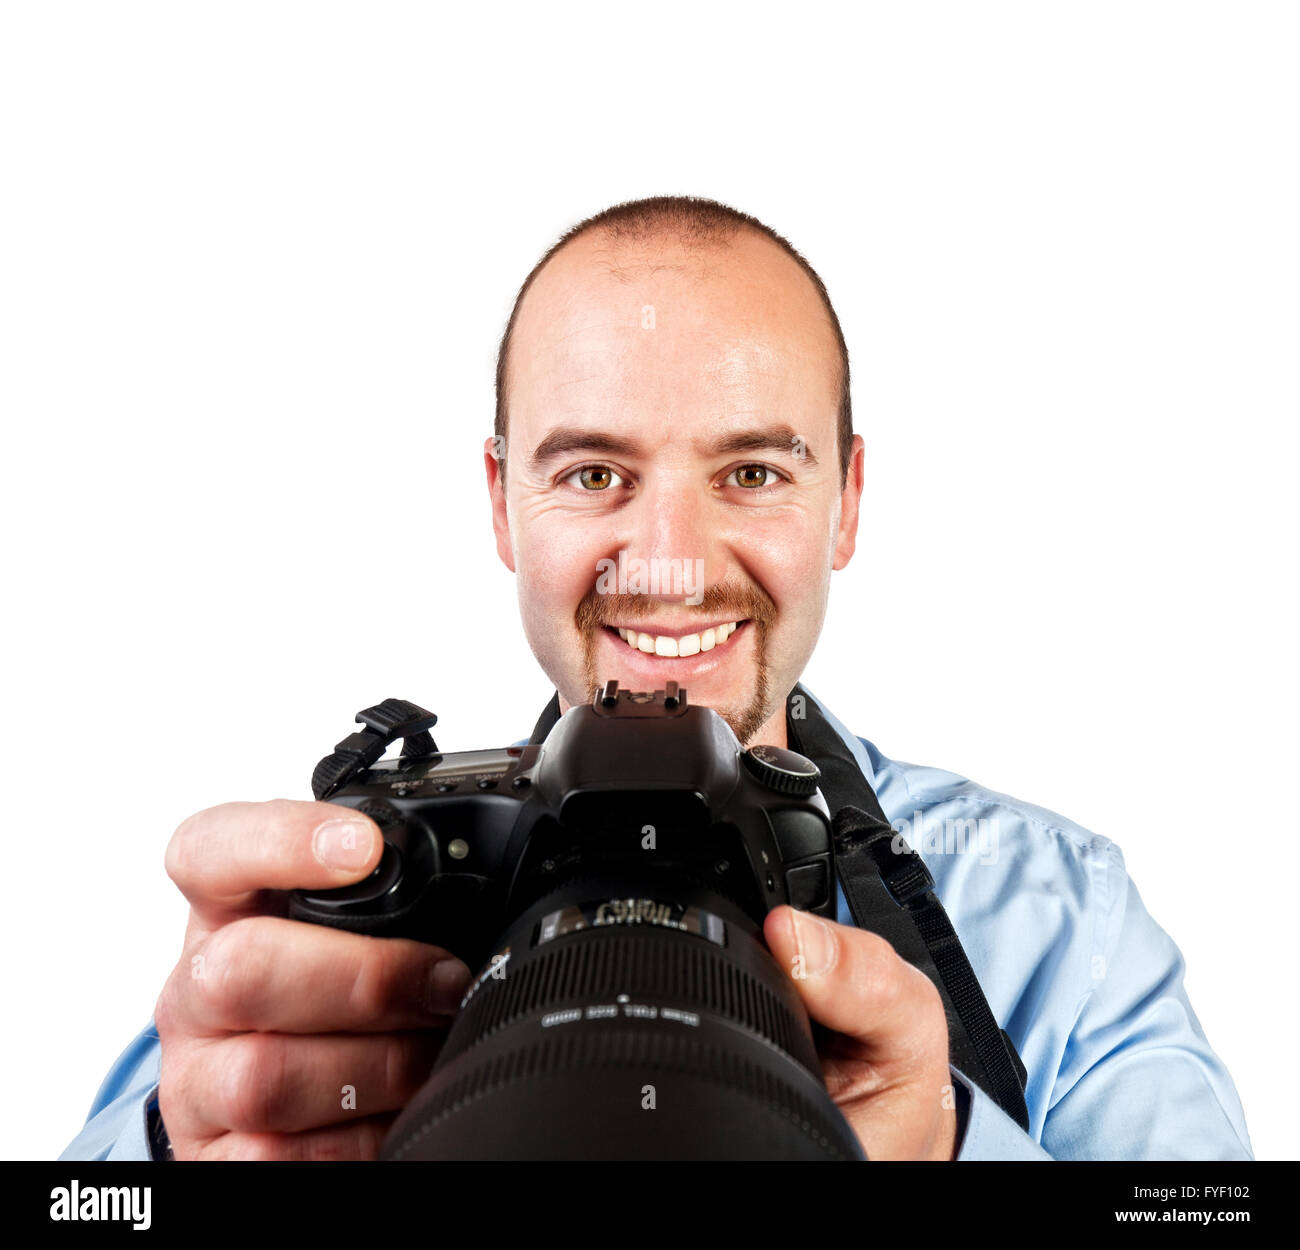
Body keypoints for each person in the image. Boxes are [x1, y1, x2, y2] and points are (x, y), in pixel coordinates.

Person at [61, 196, 1252, 1161]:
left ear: (846, 502)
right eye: (590, 475)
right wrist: (188, 1139)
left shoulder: (1051, 910)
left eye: (751, 473)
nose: (671, 562)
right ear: (499, 504)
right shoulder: (373, 901)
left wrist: (947, 1146)